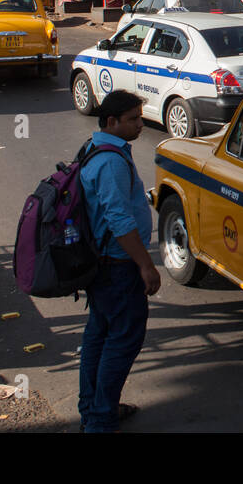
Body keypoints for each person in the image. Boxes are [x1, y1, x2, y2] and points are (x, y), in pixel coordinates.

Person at [77, 90, 159, 433]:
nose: (140, 125)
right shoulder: (110, 161)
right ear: (111, 122)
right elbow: (119, 221)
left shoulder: (94, 147)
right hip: (117, 267)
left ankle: (96, 407)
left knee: (99, 335)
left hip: (103, 266)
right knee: (122, 340)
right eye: (133, 120)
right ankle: (99, 420)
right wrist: (145, 265)